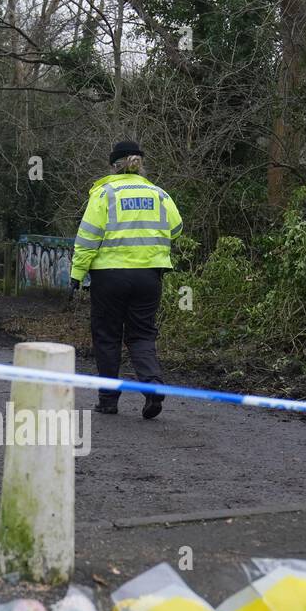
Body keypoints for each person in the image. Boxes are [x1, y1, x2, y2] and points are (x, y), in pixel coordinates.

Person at [69, 140, 182, 419]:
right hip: (149, 276)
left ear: (113, 166)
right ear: (139, 164)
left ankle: (108, 400)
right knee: (142, 334)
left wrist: (77, 274)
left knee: (107, 336)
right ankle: (153, 385)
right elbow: (177, 227)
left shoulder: (104, 194)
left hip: (109, 277)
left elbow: (87, 239)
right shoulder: (159, 194)